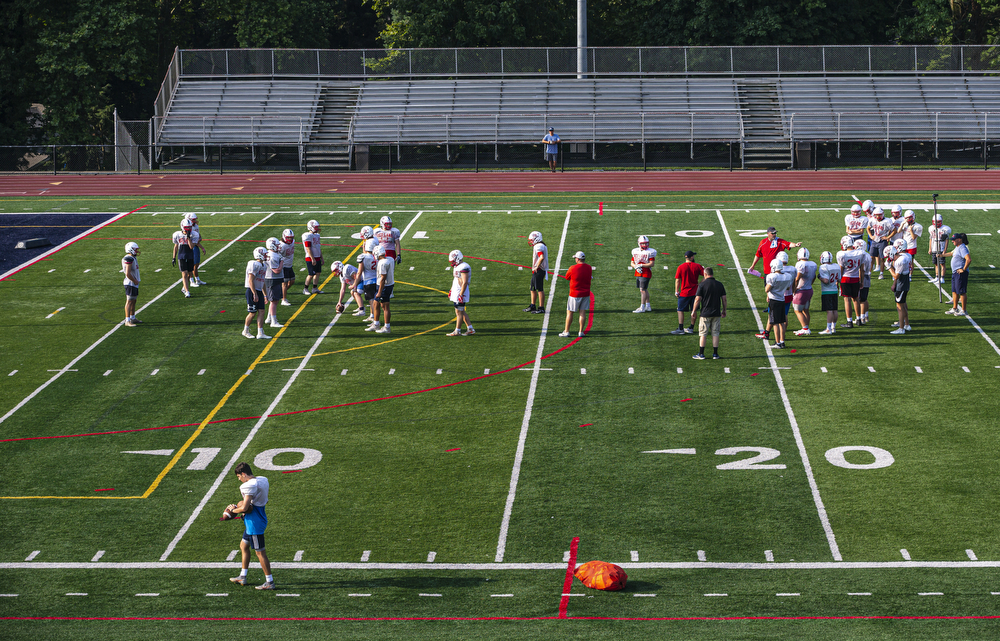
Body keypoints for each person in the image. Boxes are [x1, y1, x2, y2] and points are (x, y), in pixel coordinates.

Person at [228, 462, 274, 590]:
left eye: (239, 477)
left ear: (243, 474)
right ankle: (243, 576)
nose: (239, 480)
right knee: (244, 546)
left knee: (260, 553)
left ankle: (269, 582)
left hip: (254, 522)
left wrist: (232, 510)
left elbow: (245, 507)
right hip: (256, 517)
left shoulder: (248, 486)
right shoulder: (263, 479)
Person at [691, 267, 727, 360]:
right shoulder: (719, 284)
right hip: (716, 313)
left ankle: (701, 354)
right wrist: (724, 310)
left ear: (705, 274)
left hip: (705, 313)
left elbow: (697, 299)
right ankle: (715, 354)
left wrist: (694, 311)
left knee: (703, 333)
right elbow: (724, 299)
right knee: (715, 333)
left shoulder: (702, 285)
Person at [559, 250, 593, 337]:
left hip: (574, 293)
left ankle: (567, 331)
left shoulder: (572, 268)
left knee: (570, 312)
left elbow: (567, 277)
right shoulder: (589, 267)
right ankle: (581, 332)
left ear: (577, 259)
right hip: (585, 293)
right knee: (582, 313)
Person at [837, 235, 866, 328]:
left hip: (845, 278)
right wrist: (862, 281)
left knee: (847, 300)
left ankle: (849, 321)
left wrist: (838, 280)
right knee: (856, 299)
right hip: (856, 278)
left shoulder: (842, 254)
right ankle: (858, 319)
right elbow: (862, 269)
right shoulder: (860, 253)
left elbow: (841, 269)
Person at [672, 250, 703, 335]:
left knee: (680, 310)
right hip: (695, 292)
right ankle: (691, 328)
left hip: (684, 293)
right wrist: (700, 284)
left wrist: (676, 291)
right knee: (694, 310)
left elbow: (677, 280)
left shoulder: (681, 267)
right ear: (691, 257)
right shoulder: (697, 266)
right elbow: (706, 275)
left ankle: (681, 328)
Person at [764, 258, 793, 349]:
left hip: (774, 301)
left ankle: (778, 343)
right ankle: (782, 341)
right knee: (781, 322)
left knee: (775, 322)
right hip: (782, 300)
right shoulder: (787, 276)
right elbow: (788, 288)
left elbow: (767, 289)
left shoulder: (772, 276)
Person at [243, 247, 270, 339]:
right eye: (265, 254)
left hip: (259, 291)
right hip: (252, 290)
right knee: (252, 313)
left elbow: (262, 281)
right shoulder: (254, 264)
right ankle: (245, 331)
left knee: (262, 311)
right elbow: (250, 280)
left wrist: (265, 295)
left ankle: (260, 333)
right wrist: (254, 293)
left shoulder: (264, 266)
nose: (266, 256)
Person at [446, 250, 475, 336]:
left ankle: (457, 331)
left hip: (461, 292)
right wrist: (451, 290)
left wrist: (461, 294)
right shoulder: (458, 266)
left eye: (453, 261)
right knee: (460, 311)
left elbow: (464, 282)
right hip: (457, 291)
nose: (452, 263)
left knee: (459, 312)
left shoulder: (464, 267)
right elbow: (456, 280)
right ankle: (470, 328)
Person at [792, 247, 816, 336]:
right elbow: (814, 277)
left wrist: (794, 289)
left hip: (801, 291)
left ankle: (805, 328)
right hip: (809, 289)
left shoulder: (800, 264)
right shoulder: (813, 264)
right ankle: (806, 328)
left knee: (797, 310)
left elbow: (797, 278)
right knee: (806, 310)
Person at [887, 246, 912, 334]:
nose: (889, 258)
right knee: (903, 305)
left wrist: (889, 268)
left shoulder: (900, 260)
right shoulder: (904, 257)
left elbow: (896, 276)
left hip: (902, 285)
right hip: (904, 283)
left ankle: (901, 328)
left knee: (900, 307)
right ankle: (907, 324)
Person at [945, 233, 971, 316]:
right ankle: (955, 308)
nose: (952, 241)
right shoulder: (957, 247)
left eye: (954, 240)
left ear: (959, 240)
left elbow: (968, 259)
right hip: (955, 272)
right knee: (954, 291)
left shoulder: (962, 248)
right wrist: (941, 255)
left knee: (961, 291)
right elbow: (951, 254)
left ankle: (963, 310)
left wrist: (963, 269)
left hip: (960, 273)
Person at [371, 245, 394, 334]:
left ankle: (387, 327)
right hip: (387, 285)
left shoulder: (382, 263)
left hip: (384, 286)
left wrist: (380, 292)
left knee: (385, 307)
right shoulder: (390, 259)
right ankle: (376, 324)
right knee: (375, 303)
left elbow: (383, 278)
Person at [630, 235, 657, 313]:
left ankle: (642, 307)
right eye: (643, 243)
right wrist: (635, 266)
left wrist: (641, 265)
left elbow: (652, 264)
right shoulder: (636, 251)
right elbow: (632, 262)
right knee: (643, 289)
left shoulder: (650, 252)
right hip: (638, 272)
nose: (645, 245)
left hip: (645, 273)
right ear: (639, 243)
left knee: (642, 290)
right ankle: (648, 306)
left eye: (646, 243)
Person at [817, 251, 841, 335]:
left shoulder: (823, 267)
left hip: (827, 291)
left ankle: (828, 329)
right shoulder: (836, 266)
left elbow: (826, 281)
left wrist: (819, 277)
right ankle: (833, 327)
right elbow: (839, 279)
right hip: (834, 290)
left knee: (829, 310)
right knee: (834, 310)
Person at [524, 231, 548, 314]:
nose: (531, 241)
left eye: (531, 240)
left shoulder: (538, 246)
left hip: (539, 270)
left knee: (539, 289)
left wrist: (537, 266)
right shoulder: (540, 245)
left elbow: (541, 257)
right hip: (538, 270)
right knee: (532, 288)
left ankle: (541, 307)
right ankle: (532, 305)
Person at [356, 240, 378, 324]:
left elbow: (359, 272)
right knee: (374, 301)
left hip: (368, 281)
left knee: (372, 302)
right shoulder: (376, 256)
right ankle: (372, 316)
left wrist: (355, 284)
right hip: (377, 280)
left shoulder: (363, 257)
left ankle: (375, 320)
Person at [867, 207, 893, 277]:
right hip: (875, 240)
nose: (878, 216)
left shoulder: (887, 221)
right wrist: (871, 236)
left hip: (882, 241)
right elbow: (868, 228)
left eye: (880, 215)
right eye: (877, 215)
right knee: (871, 257)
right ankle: (869, 272)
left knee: (882, 258)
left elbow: (894, 230)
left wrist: (887, 237)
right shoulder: (872, 220)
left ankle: (881, 273)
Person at [264, 237, 284, 329]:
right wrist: (282, 261)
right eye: (276, 245)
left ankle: (269, 318)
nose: (278, 246)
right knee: (274, 301)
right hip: (272, 279)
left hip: (274, 279)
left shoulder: (273, 254)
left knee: (275, 300)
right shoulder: (272, 256)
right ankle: (274, 321)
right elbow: (277, 270)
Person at [171, 221, 195, 298]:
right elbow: (176, 246)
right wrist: (174, 257)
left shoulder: (193, 234)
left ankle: (184, 288)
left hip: (190, 255)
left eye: (189, 227)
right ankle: (187, 291)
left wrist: (188, 238)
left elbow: (191, 247)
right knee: (184, 273)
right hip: (181, 255)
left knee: (189, 273)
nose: (188, 229)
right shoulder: (177, 234)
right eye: (187, 227)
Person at [184, 213, 208, 286]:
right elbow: (194, 241)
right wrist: (202, 247)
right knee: (192, 265)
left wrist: (199, 239)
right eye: (193, 219)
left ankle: (197, 279)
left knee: (196, 264)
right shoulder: (189, 228)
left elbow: (198, 236)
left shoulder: (196, 226)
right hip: (191, 247)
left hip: (195, 246)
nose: (195, 221)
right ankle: (191, 281)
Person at [928, 214, 952, 284]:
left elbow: (947, 240)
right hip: (934, 248)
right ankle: (937, 277)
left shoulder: (945, 229)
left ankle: (942, 278)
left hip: (941, 248)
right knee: (936, 264)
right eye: (935, 222)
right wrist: (930, 249)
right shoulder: (931, 228)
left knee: (942, 264)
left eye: (938, 222)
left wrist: (945, 250)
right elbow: (931, 239)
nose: (937, 223)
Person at [301, 219, 323, 295]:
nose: (317, 228)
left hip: (317, 256)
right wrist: (312, 258)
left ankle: (314, 288)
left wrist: (321, 257)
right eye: (316, 227)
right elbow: (308, 248)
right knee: (311, 274)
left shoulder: (317, 235)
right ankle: (305, 289)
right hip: (310, 257)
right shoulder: (307, 236)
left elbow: (318, 247)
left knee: (318, 273)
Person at [121, 242, 141, 327]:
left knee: (133, 301)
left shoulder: (132, 257)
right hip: (130, 283)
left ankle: (133, 317)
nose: (137, 251)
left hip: (133, 283)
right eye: (135, 250)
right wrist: (134, 280)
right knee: (129, 301)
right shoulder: (128, 258)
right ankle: (127, 320)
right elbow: (127, 273)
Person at [280, 228, 295, 306]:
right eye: (288, 237)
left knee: (292, 281)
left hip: (289, 265)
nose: (290, 239)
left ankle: (281, 294)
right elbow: (278, 256)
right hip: (284, 266)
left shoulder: (293, 242)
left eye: (291, 237)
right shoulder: (281, 246)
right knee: (284, 284)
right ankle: (283, 299)